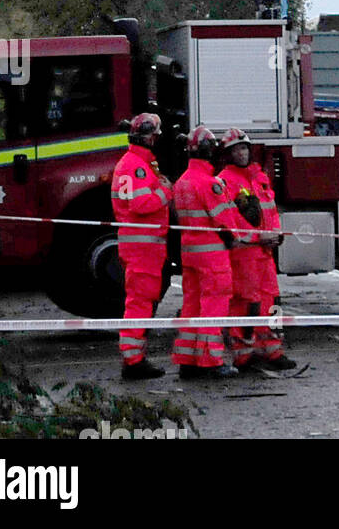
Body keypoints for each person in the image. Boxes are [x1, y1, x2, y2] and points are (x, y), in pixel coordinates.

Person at [172, 124, 254, 379]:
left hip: (189, 253)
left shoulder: (182, 182)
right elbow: (225, 220)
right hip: (212, 257)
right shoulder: (210, 184)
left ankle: (187, 359)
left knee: (191, 307)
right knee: (213, 306)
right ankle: (210, 361)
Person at [218, 128, 295, 371]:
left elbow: (271, 211)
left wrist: (276, 235)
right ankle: (244, 353)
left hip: (264, 252)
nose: (241, 153)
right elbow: (229, 220)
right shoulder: (224, 181)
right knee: (245, 302)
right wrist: (258, 237)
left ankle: (273, 350)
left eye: (243, 148)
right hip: (245, 252)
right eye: (236, 150)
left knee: (271, 300)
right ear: (228, 154)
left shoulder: (259, 177)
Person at [111, 113, 172, 379]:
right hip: (142, 248)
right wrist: (165, 191)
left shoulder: (136, 163)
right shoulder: (136, 166)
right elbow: (140, 204)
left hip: (143, 247)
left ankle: (135, 357)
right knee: (139, 304)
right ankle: (133, 360)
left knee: (142, 303)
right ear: (150, 136)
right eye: (155, 135)